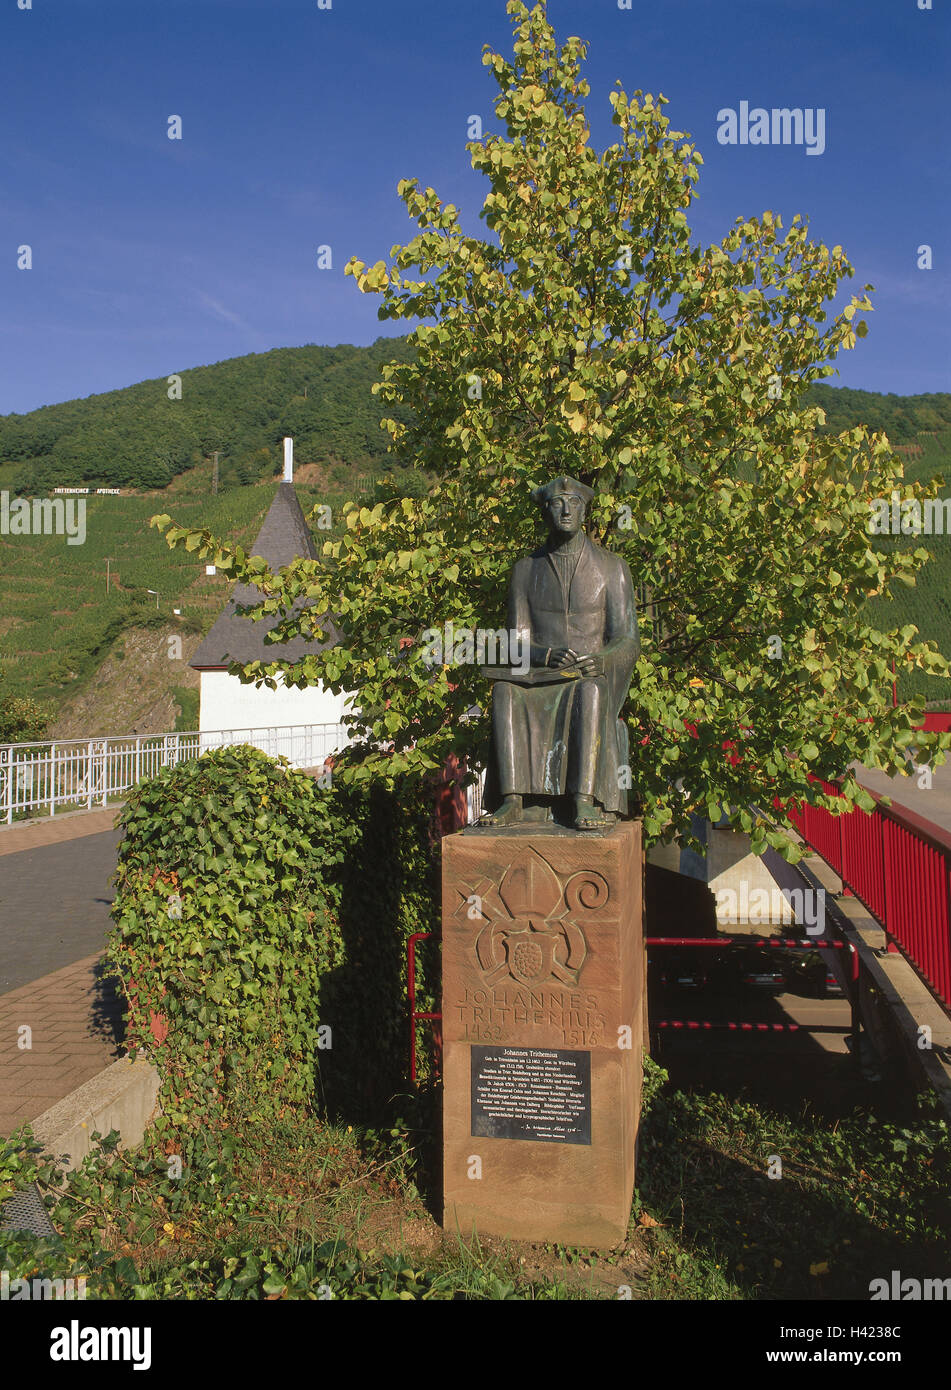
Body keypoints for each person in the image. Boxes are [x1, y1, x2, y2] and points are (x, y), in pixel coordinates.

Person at [479, 474, 639, 830]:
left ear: (585, 511)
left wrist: (602, 660)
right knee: (505, 691)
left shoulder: (613, 568)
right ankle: (512, 801)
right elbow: (514, 640)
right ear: (545, 512)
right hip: (542, 677)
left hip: (589, 676)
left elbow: (627, 638)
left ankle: (584, 800)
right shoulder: (525, 570)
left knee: (590, 691)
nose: (566, 510)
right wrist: (544, 655)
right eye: (556, 503)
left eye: (575, 503)